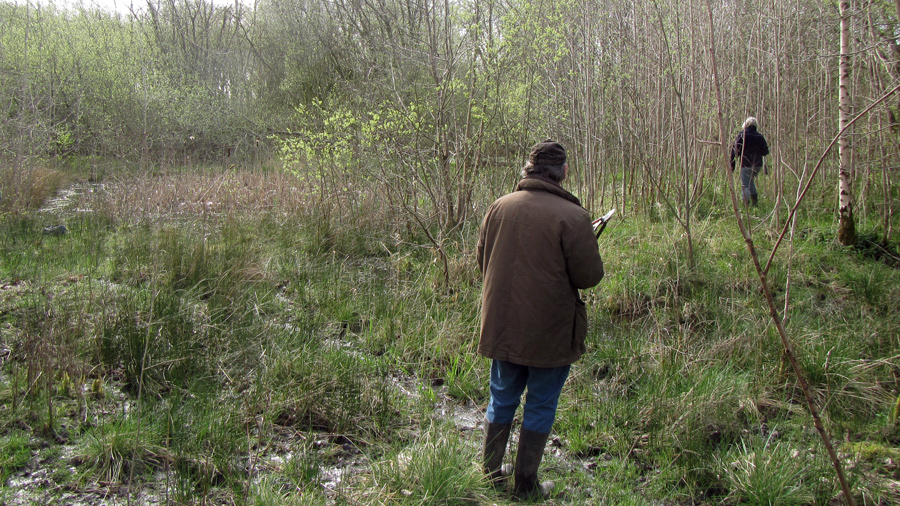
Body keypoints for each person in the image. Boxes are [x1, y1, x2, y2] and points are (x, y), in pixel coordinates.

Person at [476, 139, 604, 500]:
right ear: (563, 172)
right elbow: (589, 277)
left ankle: (489, 477)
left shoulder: (498, 207)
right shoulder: (574, 217)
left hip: (502, 325)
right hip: (550, 330)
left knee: (501, 398)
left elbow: (482, 261)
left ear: (528, 169)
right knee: (541, 403)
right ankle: (526, 486)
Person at [730, 116, 770, 206]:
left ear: (745, 125)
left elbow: (735, 150)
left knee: (745, 185)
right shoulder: (760, 136)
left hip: (746, 164)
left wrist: (732, 164)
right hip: (757, 165)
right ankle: (755, 204)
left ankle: (746, 205)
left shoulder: (742, 135)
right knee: (750, 181)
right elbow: (765, 152)